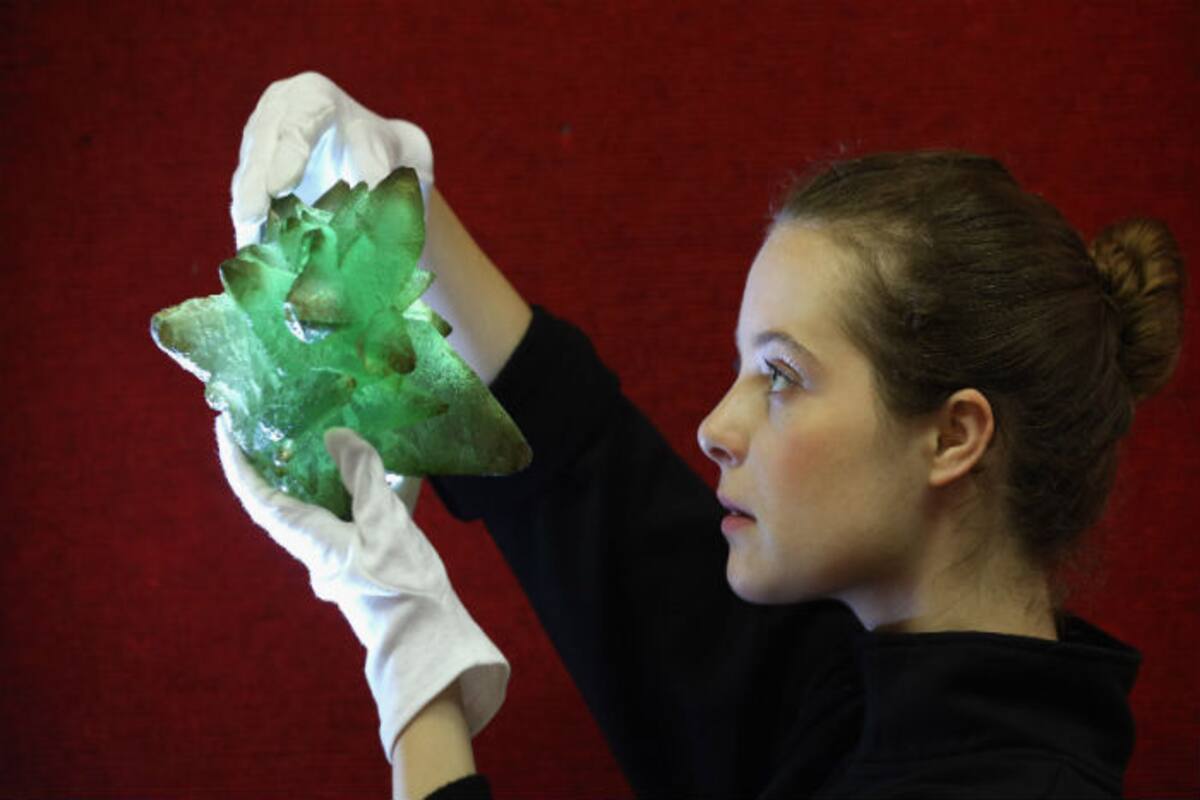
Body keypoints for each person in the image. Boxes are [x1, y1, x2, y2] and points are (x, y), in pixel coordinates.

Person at [218, 73, 1186, 799]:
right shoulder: (860, 678)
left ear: (953, 435)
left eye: (781, 376)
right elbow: (599, 495)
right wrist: (404, 211)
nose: (717, 426)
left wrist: (406, 642)